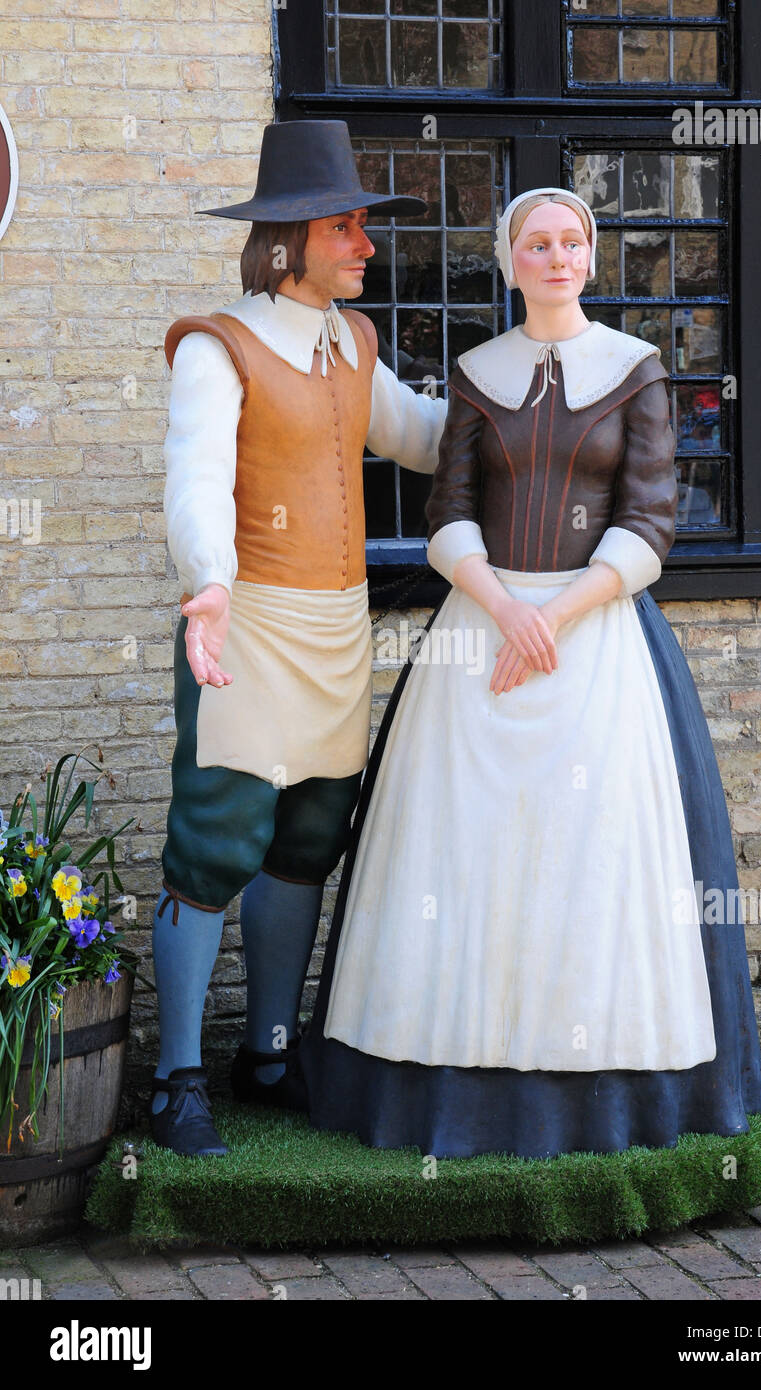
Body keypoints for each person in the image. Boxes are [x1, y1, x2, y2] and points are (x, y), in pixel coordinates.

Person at [300, 186, 761, 1159]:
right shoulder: (475, 373)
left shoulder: (635, 371)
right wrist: (503, 607)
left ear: (588, 259)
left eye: (570, 242)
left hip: (597, 645)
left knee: (592, 863)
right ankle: (440, 1099)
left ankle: (604, 1106)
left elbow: (648, 523)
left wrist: (550, 615)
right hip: (481, 635)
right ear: (511, 260)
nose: (554, 258)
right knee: (460, 854)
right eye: (535, 243)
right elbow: (448, 508)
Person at [150, 121, 447, 1157]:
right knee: (216, 837)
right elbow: (193, 480)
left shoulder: (353, 343)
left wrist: (520, 409)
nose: (365, 243)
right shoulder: (215, 345)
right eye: (346, 224)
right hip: (249, 624)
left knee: (308, 837)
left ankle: (265, 1054)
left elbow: (412, 433)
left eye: (363, 223)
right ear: (285, 239)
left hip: (335, 630)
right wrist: (210, 586)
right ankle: (174, 1078)